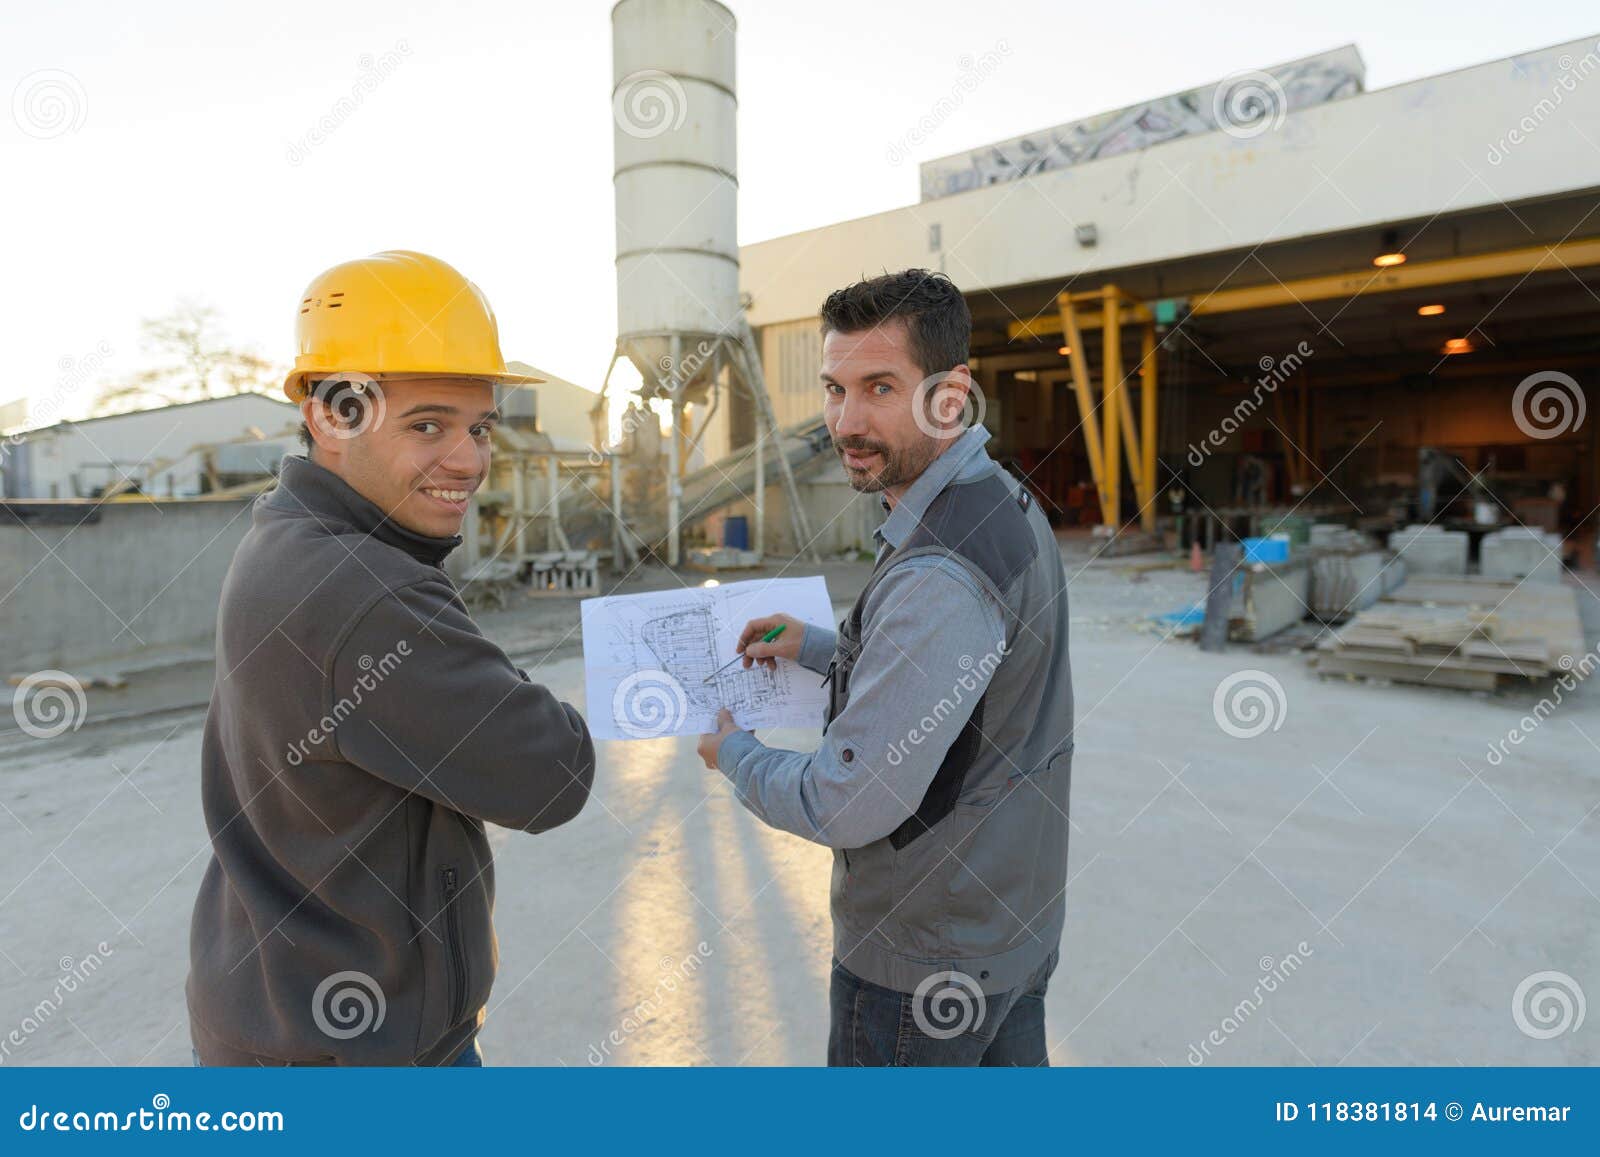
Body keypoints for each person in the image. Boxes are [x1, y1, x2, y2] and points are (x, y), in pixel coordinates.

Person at [187, 251, 594, 1066]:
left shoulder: (288, 532)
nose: (470, 460)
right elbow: (553, 773)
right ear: (332, 415)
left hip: (281, 1017)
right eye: (427, 426)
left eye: (478, 427)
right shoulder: (365, 591)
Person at [698, 270, 1074, 1066]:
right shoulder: (996, 499)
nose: (847, 421)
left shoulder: (937, 570)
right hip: (1008, 918)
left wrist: (735, 753)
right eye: (835, 390)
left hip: (924, 954)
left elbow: (847, 804)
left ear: (948, 394)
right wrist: (816, 646)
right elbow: (962, 682)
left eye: (878, 387)